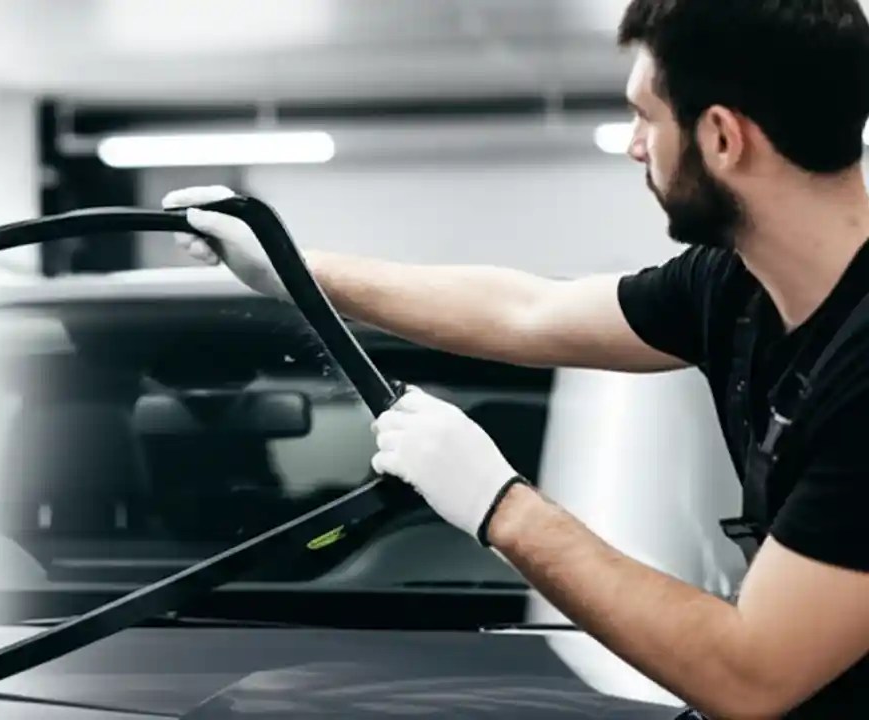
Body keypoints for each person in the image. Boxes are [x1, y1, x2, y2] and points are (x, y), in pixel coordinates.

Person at [162, 1, 869, 717]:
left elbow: (752, 675)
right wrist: (291, 269)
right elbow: (526, 311)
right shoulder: (736, 287)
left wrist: (496, 503)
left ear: (721, 137)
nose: (633, 145)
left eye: (646, 117)